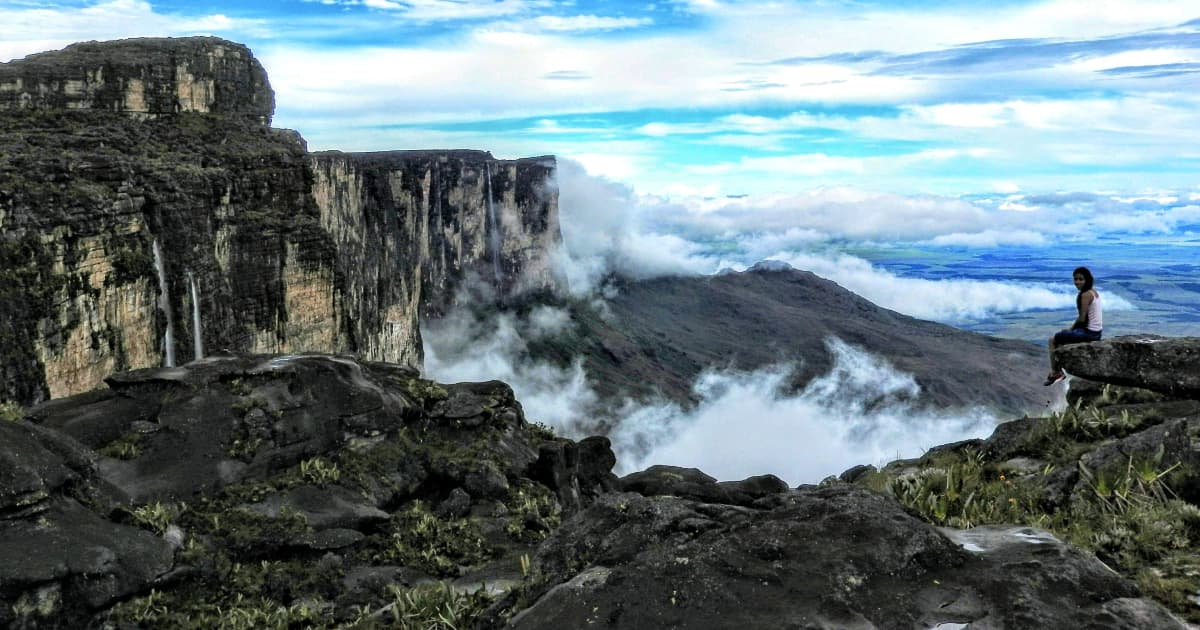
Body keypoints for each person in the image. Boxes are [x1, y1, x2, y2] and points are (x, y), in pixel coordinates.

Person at [1045, 266, 1103, 385]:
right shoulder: (1094, 291)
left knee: (1053, 340)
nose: (1077, 282)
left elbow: (1082, 319)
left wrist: (1071, 329)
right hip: (1096, 332)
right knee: (1063, 336)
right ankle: (1059, 367)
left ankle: (1056, 372)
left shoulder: (1085, 295)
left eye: (1081, 279)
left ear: (1087, 279)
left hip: (1089, 334)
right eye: (1075, 279)